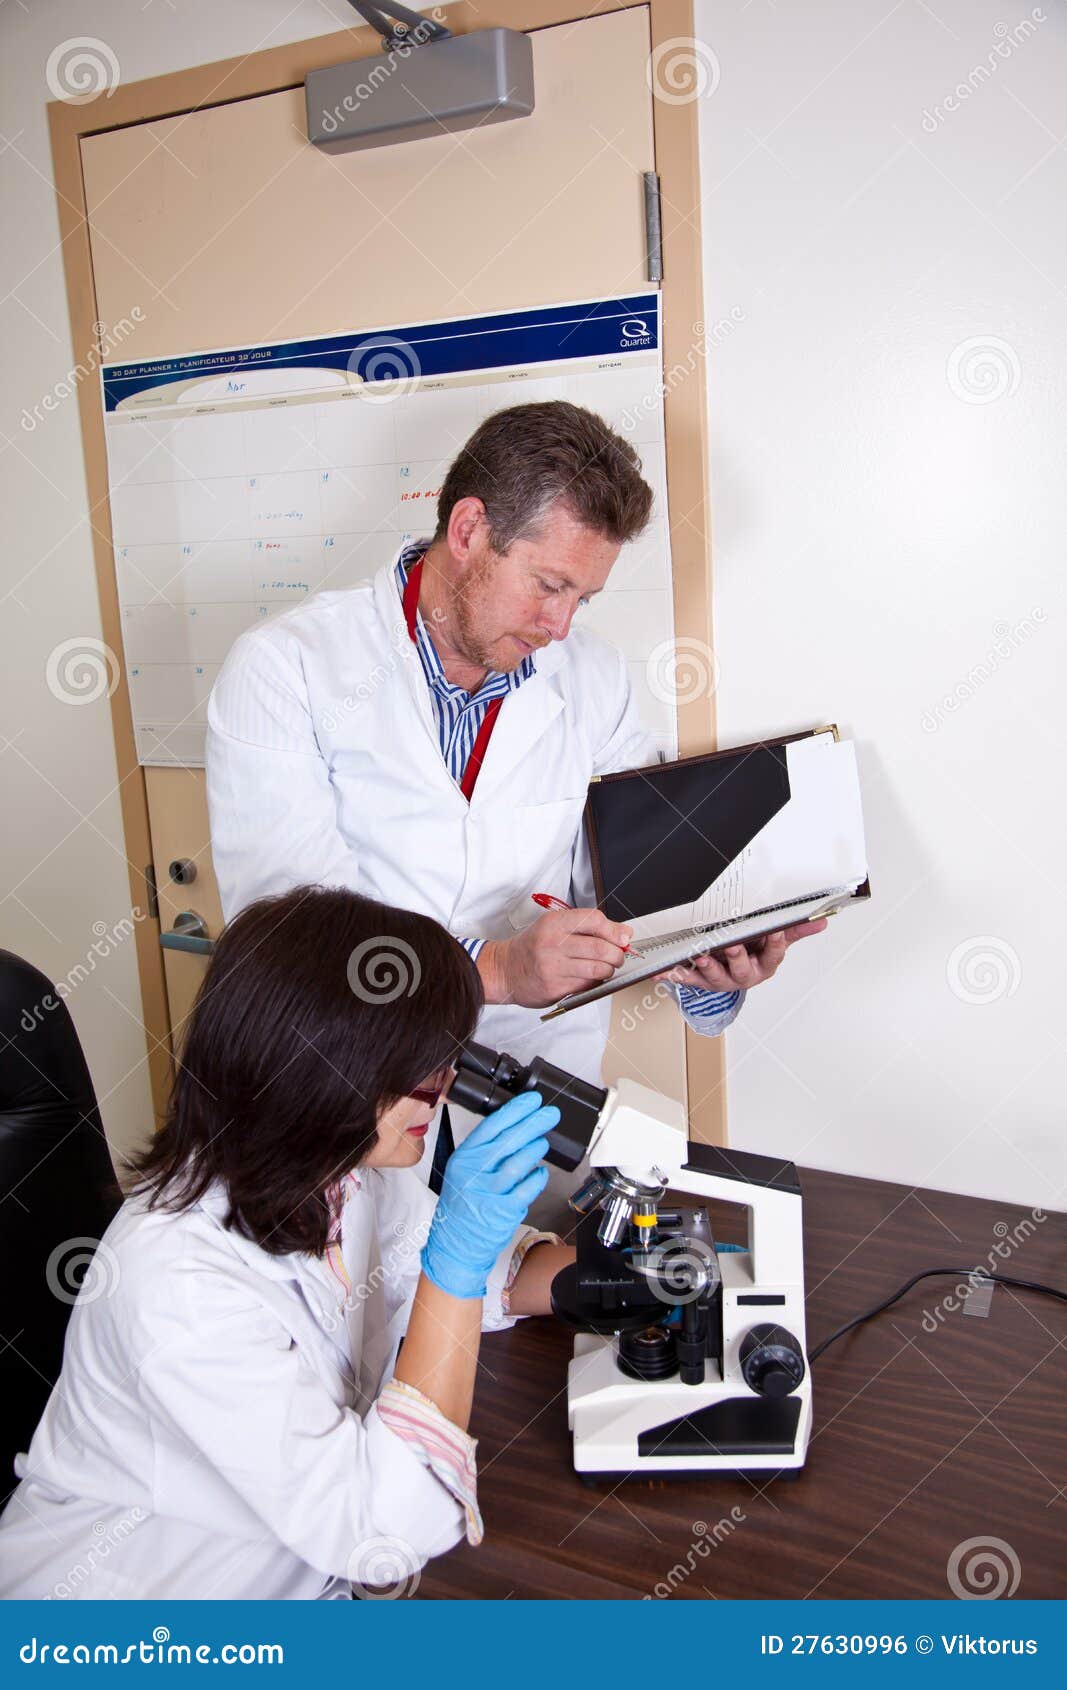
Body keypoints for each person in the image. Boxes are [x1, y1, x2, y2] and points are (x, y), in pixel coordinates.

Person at [206, 401, 826, 1218]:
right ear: (467, 530)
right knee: (361, 1330)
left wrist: (707, 958)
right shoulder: (286, 670)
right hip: (345, 1101)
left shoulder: (591, 680)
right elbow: (287, 942)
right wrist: (491, 970)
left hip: (531, 1105)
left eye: (584, 598)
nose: (560, 623)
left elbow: (640, 883)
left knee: (523, 1311)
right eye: (548, 585)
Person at [0, 887, 572, 1600]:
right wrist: (452, 1269)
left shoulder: (337, 1177)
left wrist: (614, 1279)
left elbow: (445, 1266)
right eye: (427, 1071)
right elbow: (381, 1533)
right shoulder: (177, 1284)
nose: (447, 1088)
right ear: (331, 1071)